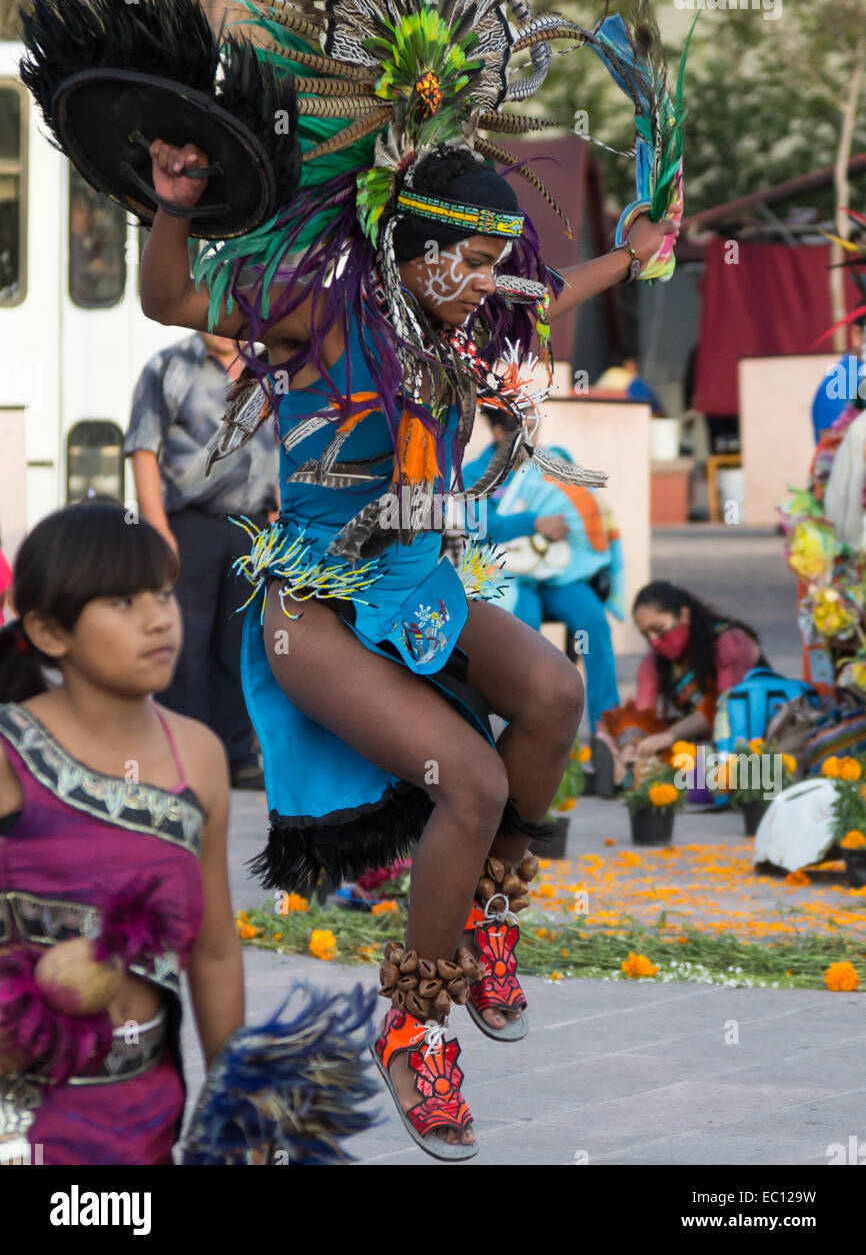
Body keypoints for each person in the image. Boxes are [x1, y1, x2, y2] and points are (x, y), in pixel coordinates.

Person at [140, 133, 675, 1159]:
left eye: (492, 264)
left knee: (556, 695)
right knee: (468, 782)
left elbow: (549, 286)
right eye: (469, 262)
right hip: (314, 602)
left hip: (418, 585)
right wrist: (175, 201)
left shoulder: (469, 320)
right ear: (415, 247)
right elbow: (170, 298)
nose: (487, 283)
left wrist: (632, 251)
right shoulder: (322, 313)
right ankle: (416, 1026)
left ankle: (483, 919)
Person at [0, 502, 243, 1165]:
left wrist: (237, 1106)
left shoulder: (200, 756)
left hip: (143, 1119)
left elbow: (215, 951)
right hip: (21, 1128)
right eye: (122, 600)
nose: (159, 616)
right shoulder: (9, 751)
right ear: (50, 630)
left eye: (163, 592)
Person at [125, 331, 279, 789]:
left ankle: (235, 756)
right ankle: (179, 755)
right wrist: (156, 526)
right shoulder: (168, 366)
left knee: (242, 644)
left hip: (254, 526)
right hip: (188, 524)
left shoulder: (268, 369)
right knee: (186, 645)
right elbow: (143, 447)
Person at [462, 407, 622, 730]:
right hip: (513, 576)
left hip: (560, 574)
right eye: (526, 429)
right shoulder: (476, 473)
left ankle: (609, 728)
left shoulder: (551, 464)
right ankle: (526, 727)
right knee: (526, 631)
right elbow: (478, 526)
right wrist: (534, 522)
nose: (535, 437)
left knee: (592, 621)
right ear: (498, 433)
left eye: (536, 428)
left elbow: (582, 506)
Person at [595, 579, 765, 794]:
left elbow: (724, 709)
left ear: (684, 616)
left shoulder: (730, 642)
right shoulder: (653, 662)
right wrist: (631, 743)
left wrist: (670, 735)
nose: (654, 641)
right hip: (696, 742)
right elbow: (642, 714)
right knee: (621, 738)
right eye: (646, 635)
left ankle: (636, 776)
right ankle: (624, 769)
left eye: (658, 629)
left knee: (690, 761)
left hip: (746, 739)